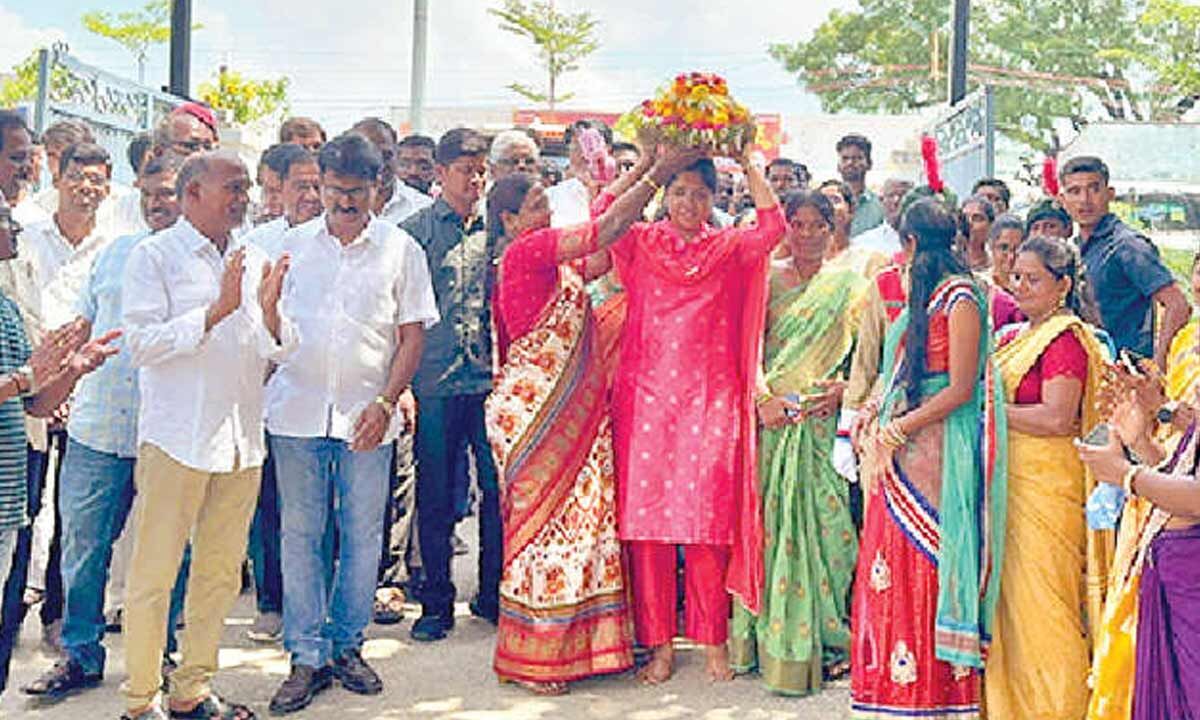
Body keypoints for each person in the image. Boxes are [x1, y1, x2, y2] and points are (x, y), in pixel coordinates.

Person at [487, 140, 698, 695]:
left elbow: (604, 248)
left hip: (573, 410)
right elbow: (605, 230)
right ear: (509, 220)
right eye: (537, 204)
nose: (547, 210)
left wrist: (647, 167)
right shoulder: (526, 253)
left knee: (580, 528)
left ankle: (580, 651)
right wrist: (657, 172)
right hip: (537, 413)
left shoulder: (556, 264)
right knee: (543, 535)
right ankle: (536, 660)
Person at [265, 133, 437, 714]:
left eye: (355, 192)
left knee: (363, 536)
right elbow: (267, 330)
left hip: (369, 417)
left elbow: (412, 336)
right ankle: (305, 656)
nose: (342, 202)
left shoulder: (400, 250)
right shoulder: (290, 247)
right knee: (301, 536)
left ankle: (346, 646)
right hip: (296, 413)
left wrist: (386, 401)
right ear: (320, 185)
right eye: (333, 190)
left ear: (377, 188)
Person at [119, 150, 288, 720]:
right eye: (232, 188)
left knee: (218, 576)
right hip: (178, 440)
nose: (244, 198)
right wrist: (214, 312)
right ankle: (141, 700)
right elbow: (140, 344)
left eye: (245, 188)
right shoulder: (154, 256)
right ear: (192, 194)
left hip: (241, 440)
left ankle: (191, 689)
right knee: (155, 574)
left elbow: (275, 350)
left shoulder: (254, 256)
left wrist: (271, 313)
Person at [611, 137, 785, 684]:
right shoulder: (640, 241)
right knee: (649, 531)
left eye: (700, 194)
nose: (689, 203)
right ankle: (660, 645)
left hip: (710, 402)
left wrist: (748, 159)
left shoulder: (726, 247)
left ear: (714, 198)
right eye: (680, 192)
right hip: (646, 401)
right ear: (664, 195)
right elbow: (603, 214)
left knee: (707, 525)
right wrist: (647, 164)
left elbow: (772, 228)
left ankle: (713, 641)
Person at [21, 153, 193, 701]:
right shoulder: (115, 253)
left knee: (168, 551)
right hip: (99, 426)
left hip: (170, 431)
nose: (158, 202)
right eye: (150, 193)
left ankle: (158, 654)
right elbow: (82, 326)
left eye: (169, 192)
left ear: (191, 195)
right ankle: (80, 653)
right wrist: (60, 378)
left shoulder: (204, 262)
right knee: (83, 546)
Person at [849, 198, 1006, 720]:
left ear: (912, 243)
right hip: (899, 448)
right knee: (887, 563)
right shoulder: (927, 292)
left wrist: (897, 429)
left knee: (928, 561)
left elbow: (960, 389)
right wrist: (872, 412)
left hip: (939, 451)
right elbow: (896, 368)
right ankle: (887, 696)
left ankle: (934, 699)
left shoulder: (960, 297)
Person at [729, 190, 865, 695]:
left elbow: (869, 357)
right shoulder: (764, 279)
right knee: (771, 528)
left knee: (832, 531)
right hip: (773, 424)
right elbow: (745, 348)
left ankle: (830, 639)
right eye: (797, 224)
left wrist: (846, 389)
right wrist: (762, 399)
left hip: (824, 428)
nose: (806, 234)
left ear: (833, 229)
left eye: (817, 225)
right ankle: (768, 641)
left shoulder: (852, 286)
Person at [984, 235, 1111, 718]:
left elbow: (1057, 417)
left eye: (1033, 279)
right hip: (1008, 482)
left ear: (1063, 285)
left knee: (1046, 608)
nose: (1020, 286)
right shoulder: (1013, 336)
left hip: (1046, 488)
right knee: (1010, 609)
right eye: (1016, 276)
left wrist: (989, 411)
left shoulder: (1064, 339)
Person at [0, 196, 121, 696]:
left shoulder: (7, 309)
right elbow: (20, 382)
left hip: (7, 500)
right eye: (4, 221)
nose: (15, 229)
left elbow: (33, 404)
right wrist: (26, 376)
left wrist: (72, 370)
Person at [1080, 252, 1200, 720]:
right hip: (1172, 570)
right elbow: (1185, 464)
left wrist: (1127, 476)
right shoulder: (1189, 343)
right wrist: (1143, 438)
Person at [402, 128, 501, 641]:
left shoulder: (499, 230)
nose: (474, 180)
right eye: (464, 170)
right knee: (436, 496)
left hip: (490, 382)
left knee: (497, 491)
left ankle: (492, 595)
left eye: (481, 171)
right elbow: (399, 314)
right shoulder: (414, 233)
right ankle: (435, 603)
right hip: (434, 383)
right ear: (440, 174)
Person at [241, 142, 322, 645]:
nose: (310, 195)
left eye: (317, 185)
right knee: (270, 505)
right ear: (279, 189)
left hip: (324, 396)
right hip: (269, 395)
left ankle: (316, 605)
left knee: (320, 510)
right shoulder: (258, 245)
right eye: (300, 186)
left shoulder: (343, 240)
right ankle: (271, 603)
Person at [1060, 155, 1189, 370]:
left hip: (1125, 372)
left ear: (1110, 194)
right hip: (1085, 369)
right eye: (1075, 191)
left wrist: (1158, 366)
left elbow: (1178, 305)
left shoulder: (1128, 246)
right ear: (1062, 200)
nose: (1085, 200)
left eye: (1094, 189)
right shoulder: (1071, 249)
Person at [351, 118, 432, 225]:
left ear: (397, 155)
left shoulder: (424, 209)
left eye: (386, 155)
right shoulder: (334, 208)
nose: (380, 164)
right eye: (369, 156)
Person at [547, 119, 613, 227]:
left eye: (591, 148)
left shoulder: (624, 194)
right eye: (577, 148)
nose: (585, 156)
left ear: (608, 150)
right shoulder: (551, 197)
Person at [817, 179, 887, 277]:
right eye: (822, 202)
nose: (828, 206)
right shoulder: (805, 260)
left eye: (835, 200)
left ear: (851, 210)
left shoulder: (868, 259)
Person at [836, 134, 884, 236]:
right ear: (838, 166)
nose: (850, 163)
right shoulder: (828, 203)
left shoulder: (880, 206)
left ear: (869, 164)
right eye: (845, 158)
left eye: (857, 158)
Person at [852, 178, 914, 257]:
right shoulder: (863, 243)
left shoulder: (923, 238)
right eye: (891, 195)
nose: (896, 200)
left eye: (903, 195)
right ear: (881, 200)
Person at [987, 213, 1024, 292]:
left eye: (1018, 249)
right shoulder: (983, 286)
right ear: (991, 246)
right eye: (1004, 248)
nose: (1011, 256)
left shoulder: (1029, 287)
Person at [958, 194, 994, 272]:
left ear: (990, 225)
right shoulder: (949, 261)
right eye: (964, 218)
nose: (969, 223)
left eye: (977, 218)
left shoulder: (998, 263)